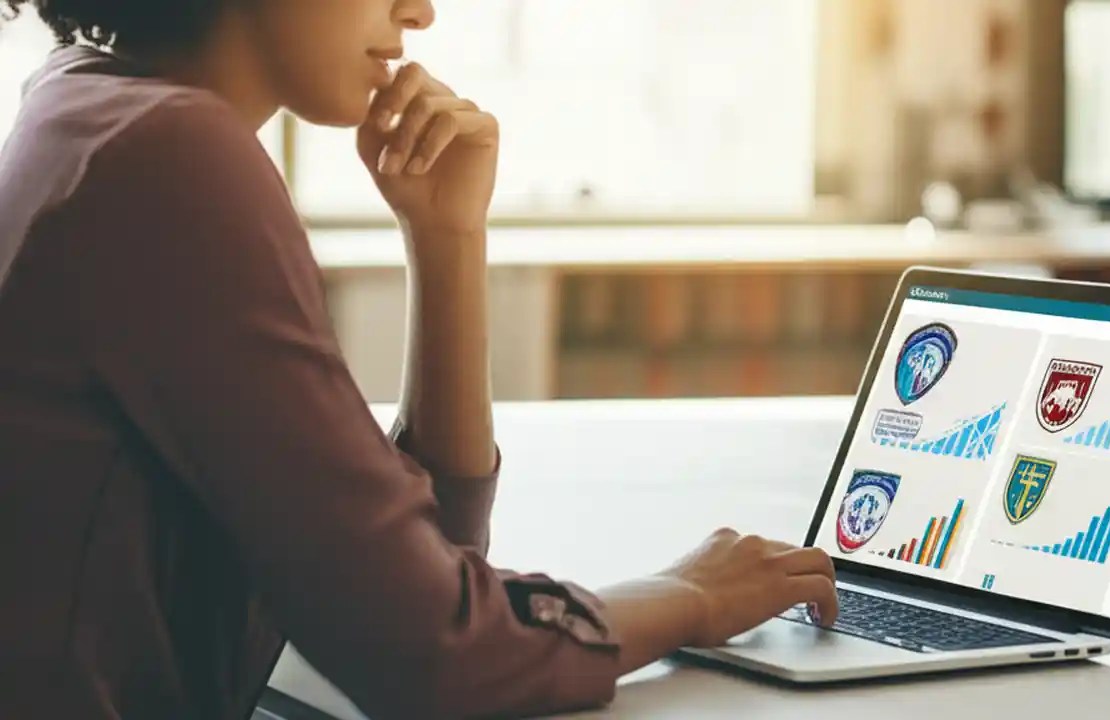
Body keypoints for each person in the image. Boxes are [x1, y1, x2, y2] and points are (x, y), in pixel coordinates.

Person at [0, 1, 839, 717]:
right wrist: (692, 599)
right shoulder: (170, 155)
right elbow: (435, 653)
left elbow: (416, 578)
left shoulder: (84, 104)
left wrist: (446, 240)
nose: (420, 10)